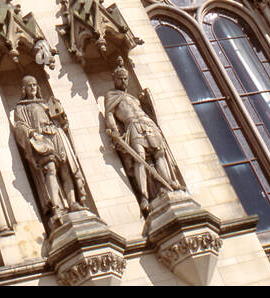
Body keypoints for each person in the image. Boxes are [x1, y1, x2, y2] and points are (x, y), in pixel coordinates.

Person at [103, 59, 185, 213]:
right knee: (139, 157)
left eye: (126, 78)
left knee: (159, 153)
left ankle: (168, 183)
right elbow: (109, 113)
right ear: (114, 78)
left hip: (147, 124)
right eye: (120, 78)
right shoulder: (111, 95)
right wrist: (114, 130)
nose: (124, 81)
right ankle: (144, 196)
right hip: (132, 125)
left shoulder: (133, 98)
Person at [11, 75, 86, 228]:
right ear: (24, 89)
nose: (33, 88)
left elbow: (59, 120)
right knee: (50, 169)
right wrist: (31, 133)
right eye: (29, 85)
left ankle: (73, 203)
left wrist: (62, 118)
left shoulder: (44, 104)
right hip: (41, 139)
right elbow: (20, 126)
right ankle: (57, 207)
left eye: (35, 85)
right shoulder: (21, 107)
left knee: (66, 170)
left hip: (56, 135)